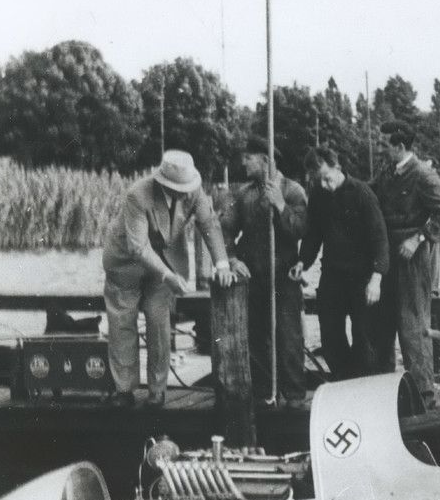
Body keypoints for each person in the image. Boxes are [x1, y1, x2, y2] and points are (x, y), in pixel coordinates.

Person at [103, 149, 240, 408]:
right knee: (123, 323)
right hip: (126, 262)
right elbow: (138, 247)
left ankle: (157, 391)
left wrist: (221, 264)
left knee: (159, 323)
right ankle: (124, 389)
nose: (188, 193)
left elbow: (209, 224)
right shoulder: (138, 195)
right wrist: (167, 276)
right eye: (182, 188)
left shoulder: (195, 192)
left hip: (166, 262)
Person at [371, 120, 440, 409]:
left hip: (413, 262)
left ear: (400, 146)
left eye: (384, 144)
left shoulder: (422, 174)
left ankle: (424, 399)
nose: (379, 148)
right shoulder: (386, 174)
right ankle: (384, 395)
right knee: (382, 328)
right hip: (387, 260)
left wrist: (420, 237)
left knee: (412, 329)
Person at [221, 135, 309, 407]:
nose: (243, 163)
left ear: (266, 160)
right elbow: (225, 230)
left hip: (283, 274)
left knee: (288, 335)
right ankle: (262, 393)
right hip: (253, 275)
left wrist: (280, 205)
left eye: (249, 158)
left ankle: (293, 394)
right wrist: (233, 259)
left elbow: (301, 229)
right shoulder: (244, 194)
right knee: (256, 335)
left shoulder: (292, 190)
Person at [293, 146, 389, 379]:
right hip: (333, 275)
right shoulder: (318, 195)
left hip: (362, 277)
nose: (324, 185)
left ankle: (364, 387)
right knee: (330, 335)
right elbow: (314, 234)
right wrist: (302, 263)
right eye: (318, 180)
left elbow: (380, 238)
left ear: (337, 168)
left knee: (364, 336)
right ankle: (343, 381)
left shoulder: (362, 193)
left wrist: (376, 278)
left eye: (327, 179)